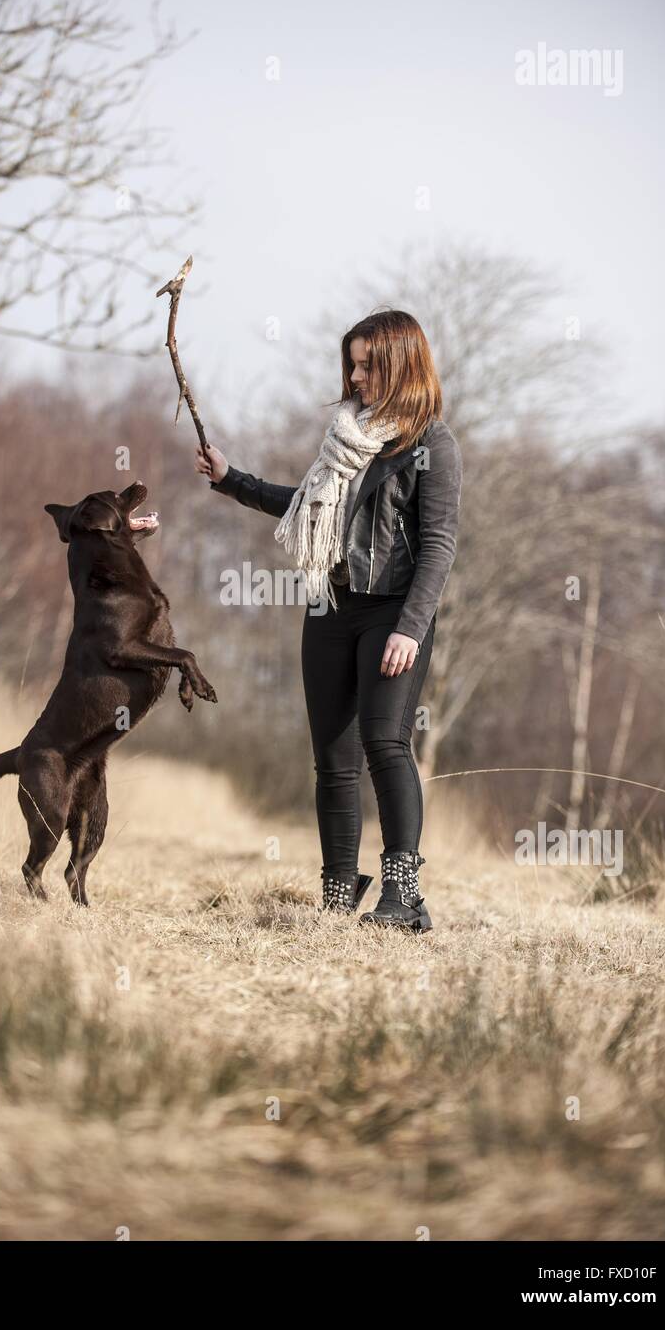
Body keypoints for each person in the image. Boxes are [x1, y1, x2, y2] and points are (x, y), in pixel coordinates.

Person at [194, 309, 462, 933]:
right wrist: (234, 480)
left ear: (400, 364)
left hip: (394, 613)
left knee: (385, 741)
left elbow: (440, 545)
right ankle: (339, 895)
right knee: (333, 759)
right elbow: (311, 506)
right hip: (330, 606)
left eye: (369, 364)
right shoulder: (347, 434)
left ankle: (402, 893)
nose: (357, 376)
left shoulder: (431, 443)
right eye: (353, 363)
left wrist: (411, 628)